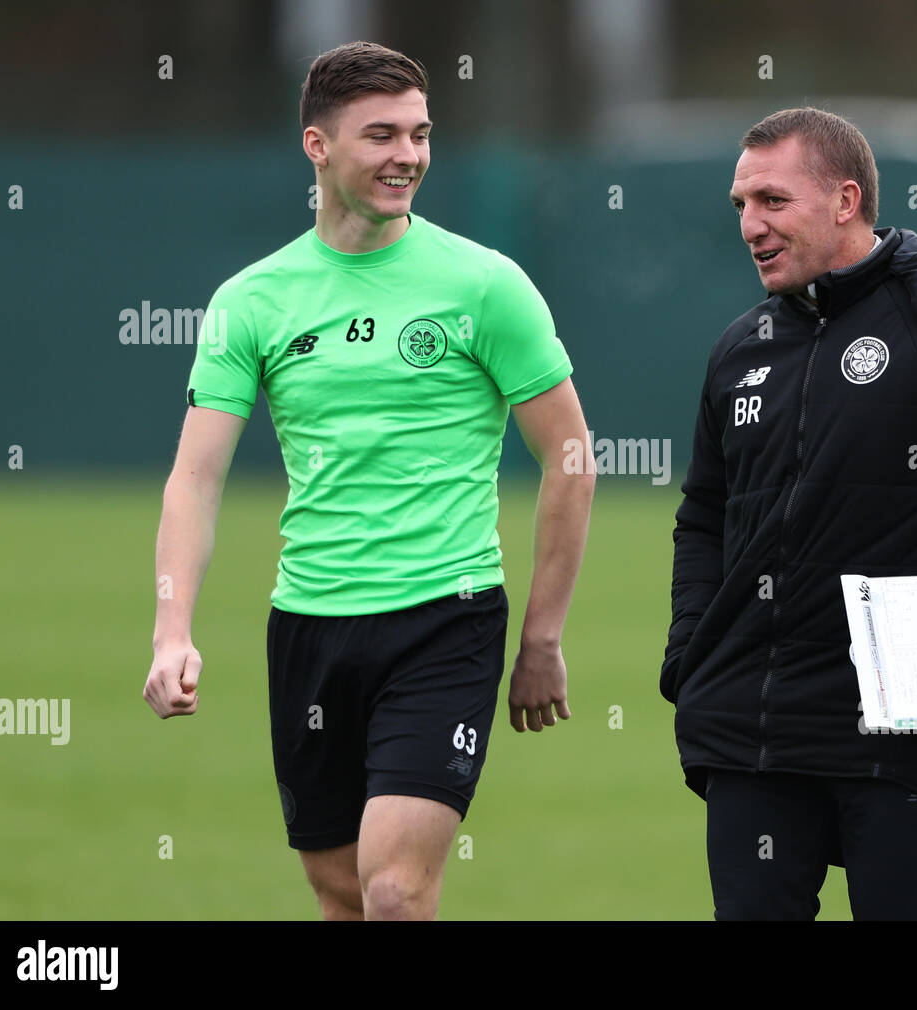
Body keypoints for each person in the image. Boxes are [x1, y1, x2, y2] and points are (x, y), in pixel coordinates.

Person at [143, 41, 594, 921]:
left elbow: (571, 459)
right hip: (309, 625)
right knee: (341, 894)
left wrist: (540, 637)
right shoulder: (252, 300)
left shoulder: (485, 285)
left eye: (420, 134)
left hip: (445, 618)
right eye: (381, 135)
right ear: (317, 145)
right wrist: (171, 633)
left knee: (394, 893)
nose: (409, 156)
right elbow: (194, 479)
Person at [660, 107, 917, 920]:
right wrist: (690, 656)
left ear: (845, 201)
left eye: (772, 200)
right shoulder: (741, 347)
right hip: (754, 729)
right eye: (740, 204)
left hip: (908, 730)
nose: (749, 224)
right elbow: (702, 516)